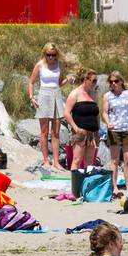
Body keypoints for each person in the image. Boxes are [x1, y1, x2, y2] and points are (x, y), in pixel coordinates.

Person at [101, 71, 128, 190]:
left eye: (116, 81)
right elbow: (104, 112)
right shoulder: (107, 96)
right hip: (114, 130)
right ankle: (114, 186)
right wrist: (108, 122)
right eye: (111, 82)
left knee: (127, 160)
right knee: (114, 160)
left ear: (121, 81)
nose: (114, 83)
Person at [28, 42, 64, 170]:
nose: (51, 58)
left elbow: (59, 83)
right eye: (48, 55)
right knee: (44, 132)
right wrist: (32, 97)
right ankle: (45, 160)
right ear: (45, 54)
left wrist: (68, 80)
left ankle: (56, 161)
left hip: (57, 95)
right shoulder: (40, 65)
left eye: (53, 55)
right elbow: (31, 82)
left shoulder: (60, 65)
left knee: (56, 132)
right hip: (43, 95)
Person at [63, 68, 101, 191]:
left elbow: (96, 114)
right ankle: (76, 188)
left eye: (96, 81)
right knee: (77, 160)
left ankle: (87, 187)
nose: (95, 83)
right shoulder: (75, 93)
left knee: (90, 161)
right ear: (85, 80)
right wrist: (75, 128)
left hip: (92, 133)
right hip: (80, 132)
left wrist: (98, 130)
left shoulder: (93, 94)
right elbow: (67, 113)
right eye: (93, 80)